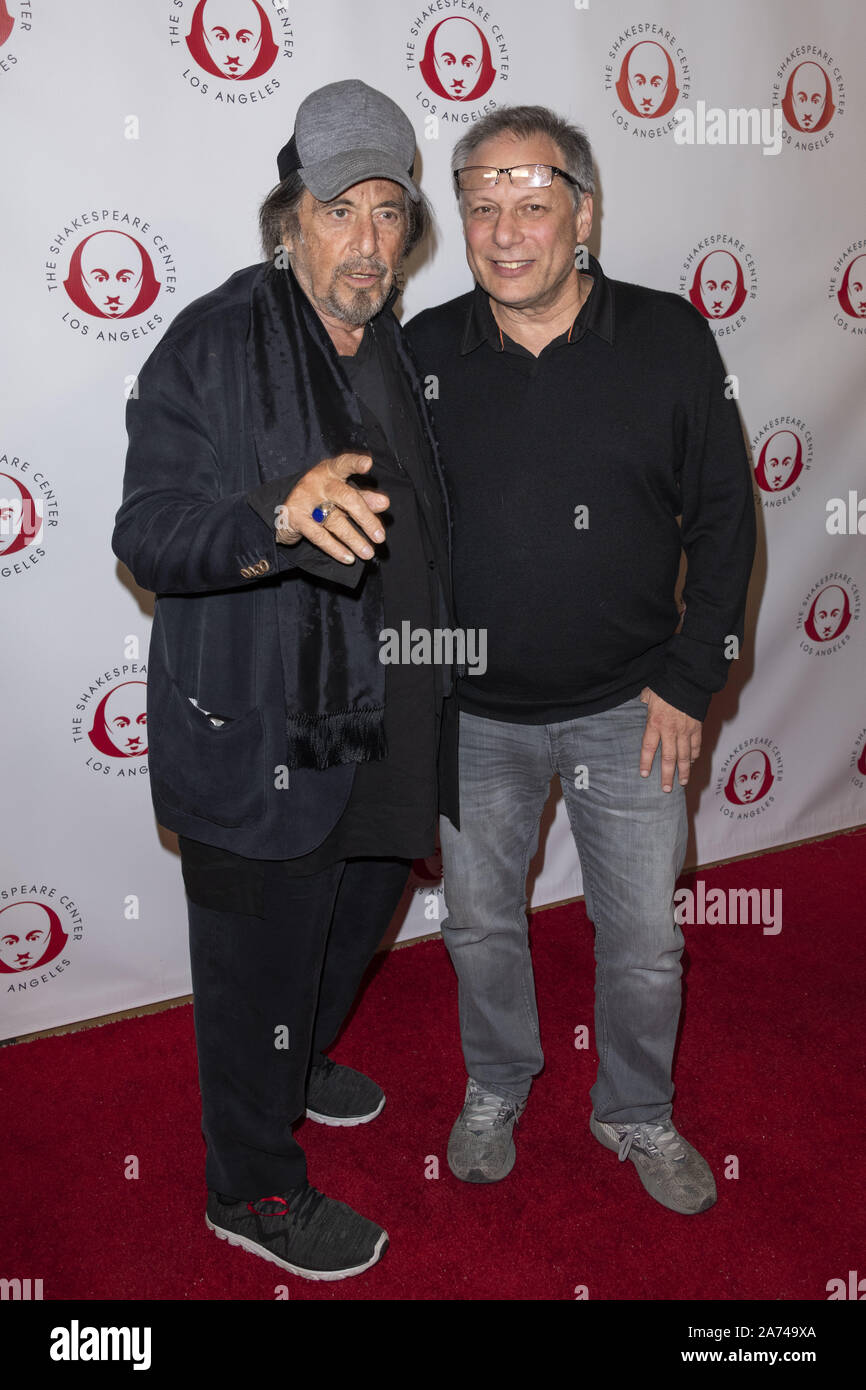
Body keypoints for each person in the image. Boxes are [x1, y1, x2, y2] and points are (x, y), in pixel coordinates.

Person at [112, 79, 456, 1280]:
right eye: (338, 208)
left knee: (350, 918)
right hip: (263, 728)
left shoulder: (393, 343)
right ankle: (246, 1187)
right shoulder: (214, 342)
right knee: (259, 953)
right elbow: (146, 531)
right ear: (287, 218)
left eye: (387, 211)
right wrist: (273, 516)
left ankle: (292, 1058)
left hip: (380, 717)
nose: (366, 239)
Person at [406, 105, 756, 1215]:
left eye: (532, 203)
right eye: (480, 207)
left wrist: (689, 676)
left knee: (647, 940)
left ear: (583, 213)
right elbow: (390, 547)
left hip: (630, 704)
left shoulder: (667, 337)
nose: (505, 232)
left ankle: (635, 1109)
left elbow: (723, 522)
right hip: (471, 715)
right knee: (477, 924)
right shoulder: (418, 357)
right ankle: (497, 1081)